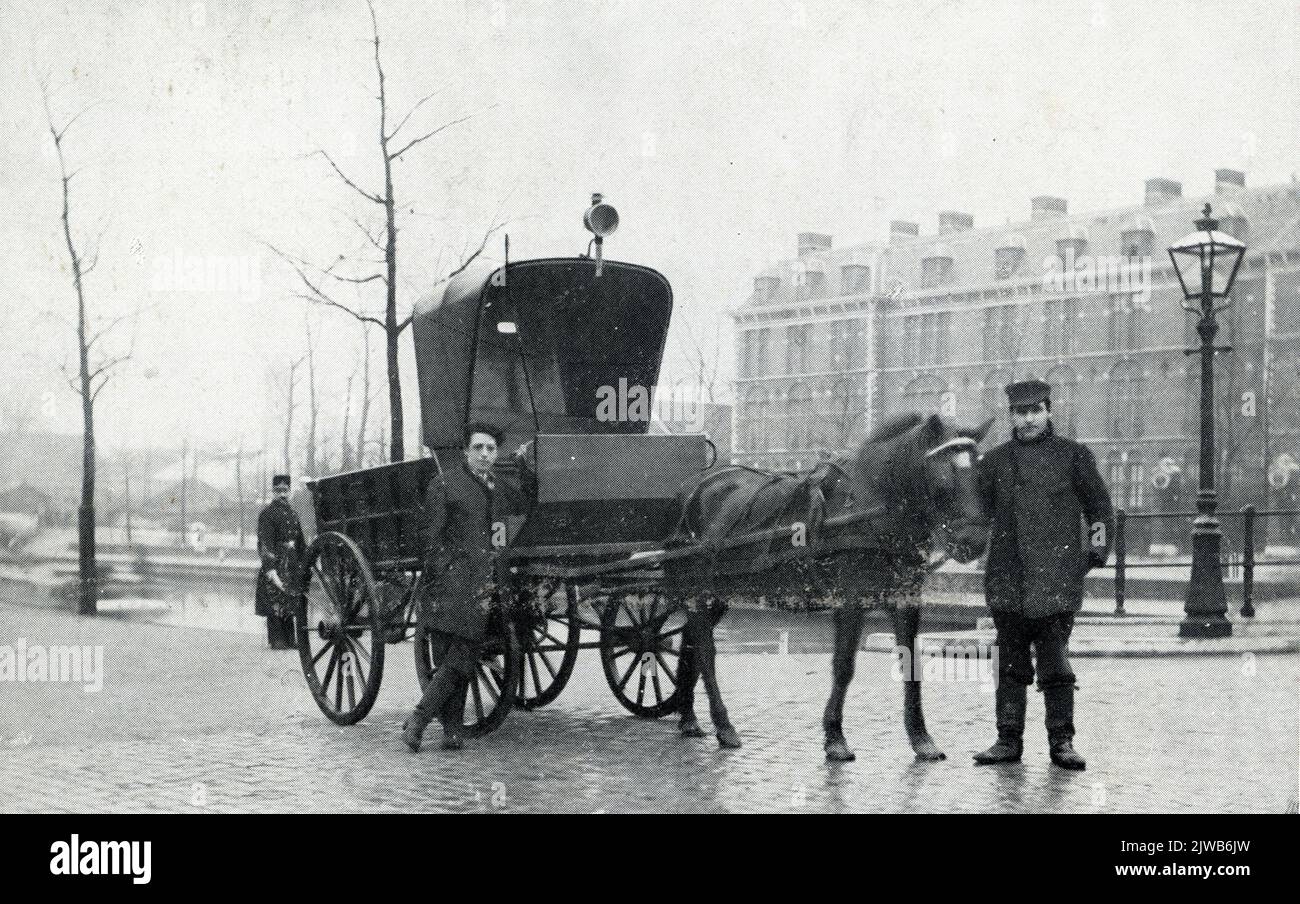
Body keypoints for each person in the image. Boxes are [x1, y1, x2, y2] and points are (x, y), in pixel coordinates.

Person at [974, 379, 1113, 770]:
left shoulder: (1074, 456)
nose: (1029, 418)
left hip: (1055, 580)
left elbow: (1099, 509)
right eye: (1021, 412)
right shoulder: (995, 462)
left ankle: (1062, 742)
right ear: (1012, 417)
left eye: (1036, 410)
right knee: (1010, 665)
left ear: (1049, 411)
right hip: (1007, 577)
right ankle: (1007, 740)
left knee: (1056, 665)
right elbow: (975, 514)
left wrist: (1094, 553)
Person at [402, 422, 528, 752]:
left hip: (486, 585)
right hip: (451, 584)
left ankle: (430, 722)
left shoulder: (501, 489)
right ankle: (440, 724)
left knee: (460, 654)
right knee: (455, 653)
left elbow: (525, 507)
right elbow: (432, 537)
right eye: (478, 448)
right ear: (466, 452)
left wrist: (528, 466)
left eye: (490, 449)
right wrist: (448, 573)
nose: (485, 454)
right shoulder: (444, 485)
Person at [255, 475, 306, 650]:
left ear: (290, 492)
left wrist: (305, 563)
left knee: (289, 599)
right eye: (279, 491)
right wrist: (270, 570)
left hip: (291, 564)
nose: (283, 494)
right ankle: (277, 639)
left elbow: (300, 542)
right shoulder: (267, 514)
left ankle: (290, 639)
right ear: (273, 492)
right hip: (275, 563)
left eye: (285, 490)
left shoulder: (293, 514)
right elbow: (265, 544)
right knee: (275, 599)